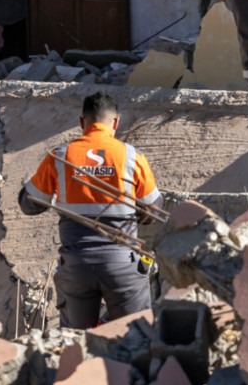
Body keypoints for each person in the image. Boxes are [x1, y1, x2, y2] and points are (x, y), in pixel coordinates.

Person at [17, 92, 162, 328]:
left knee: (77, 342)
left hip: (77, 266)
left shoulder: (59, 156)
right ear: (115, 122)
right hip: (122, 264)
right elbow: (153, 211)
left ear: (82, 122)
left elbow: (28, 205)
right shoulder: (131, 156)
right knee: (135, 336)